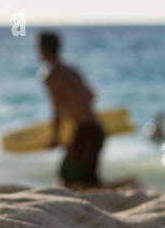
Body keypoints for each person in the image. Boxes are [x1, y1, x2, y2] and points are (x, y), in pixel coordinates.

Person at [37, 31, 138, 190]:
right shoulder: (71, 71)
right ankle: (129, 182)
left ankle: (129, 183)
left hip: (85, 132)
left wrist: (54, 137)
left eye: (37, 46)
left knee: (70, 182)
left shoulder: (50, 75)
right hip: (95, 129)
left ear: (43, 49)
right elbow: (91, 96)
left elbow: (56, 109)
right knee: (84, 183)